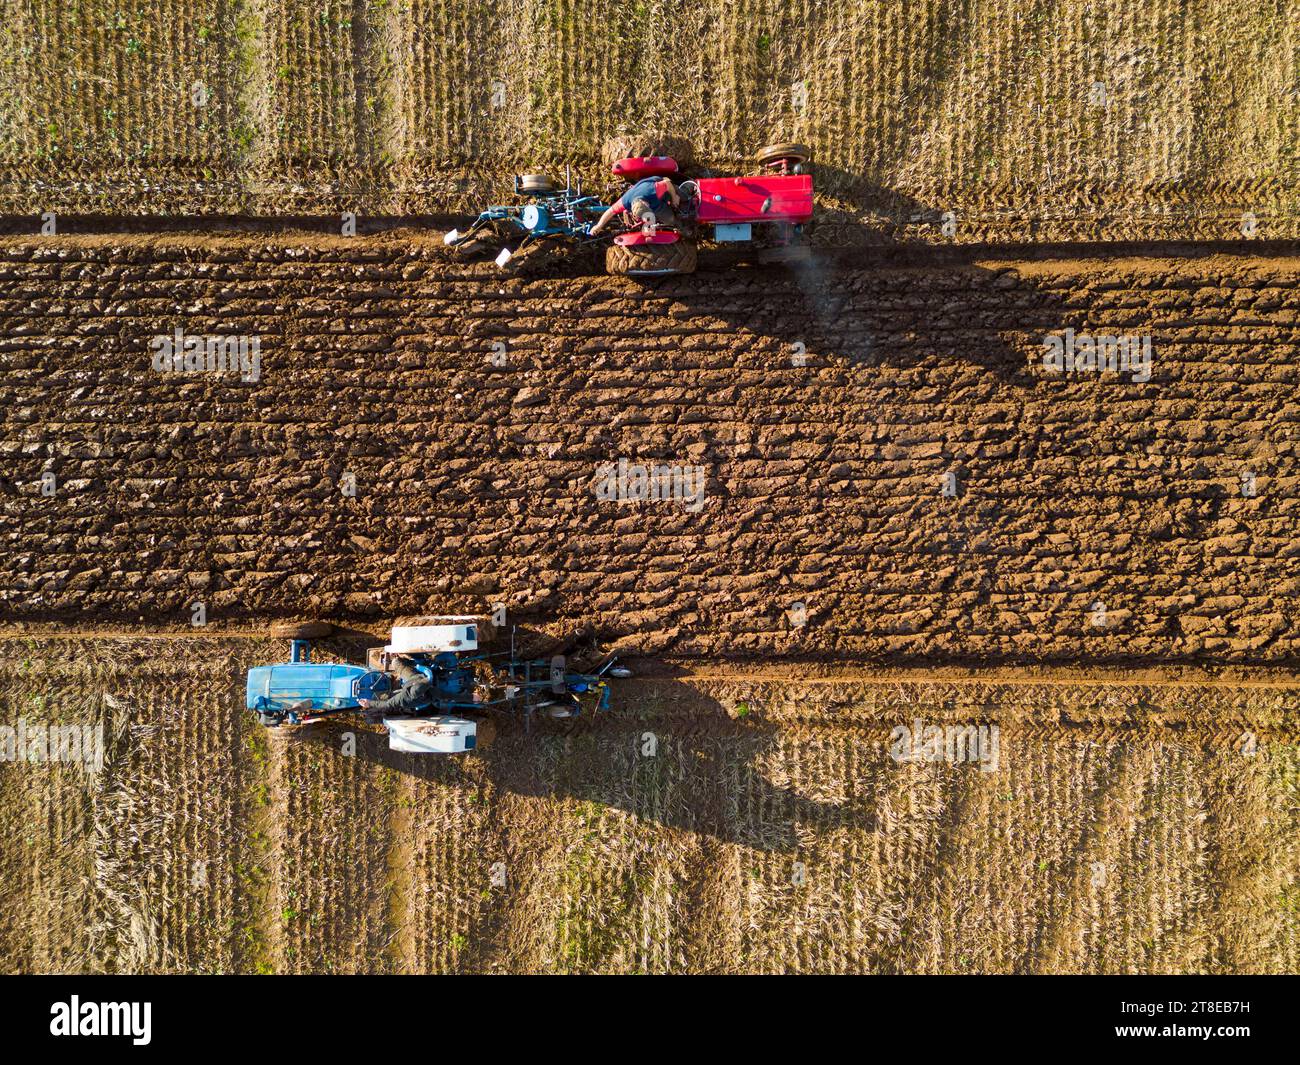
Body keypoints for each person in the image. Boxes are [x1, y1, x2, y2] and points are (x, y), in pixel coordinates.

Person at [589, 175, 681, 236]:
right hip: (653, 202)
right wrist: (599, 226)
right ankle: (678, 224)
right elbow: (610, 211)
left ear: (645, 203)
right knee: (670, 219)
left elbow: (667, 182)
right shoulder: (625, 201)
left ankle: (688, 188)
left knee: (681, 196)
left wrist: (674, 197)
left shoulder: (653, 190)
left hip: (658, 188)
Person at [357, 655, 435, 722]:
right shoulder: (407, 696)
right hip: (413, 680)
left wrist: (370, 703)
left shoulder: (404, 696)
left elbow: (388, 704)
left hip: (412, 681)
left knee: (395, 663)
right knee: (395, 662)